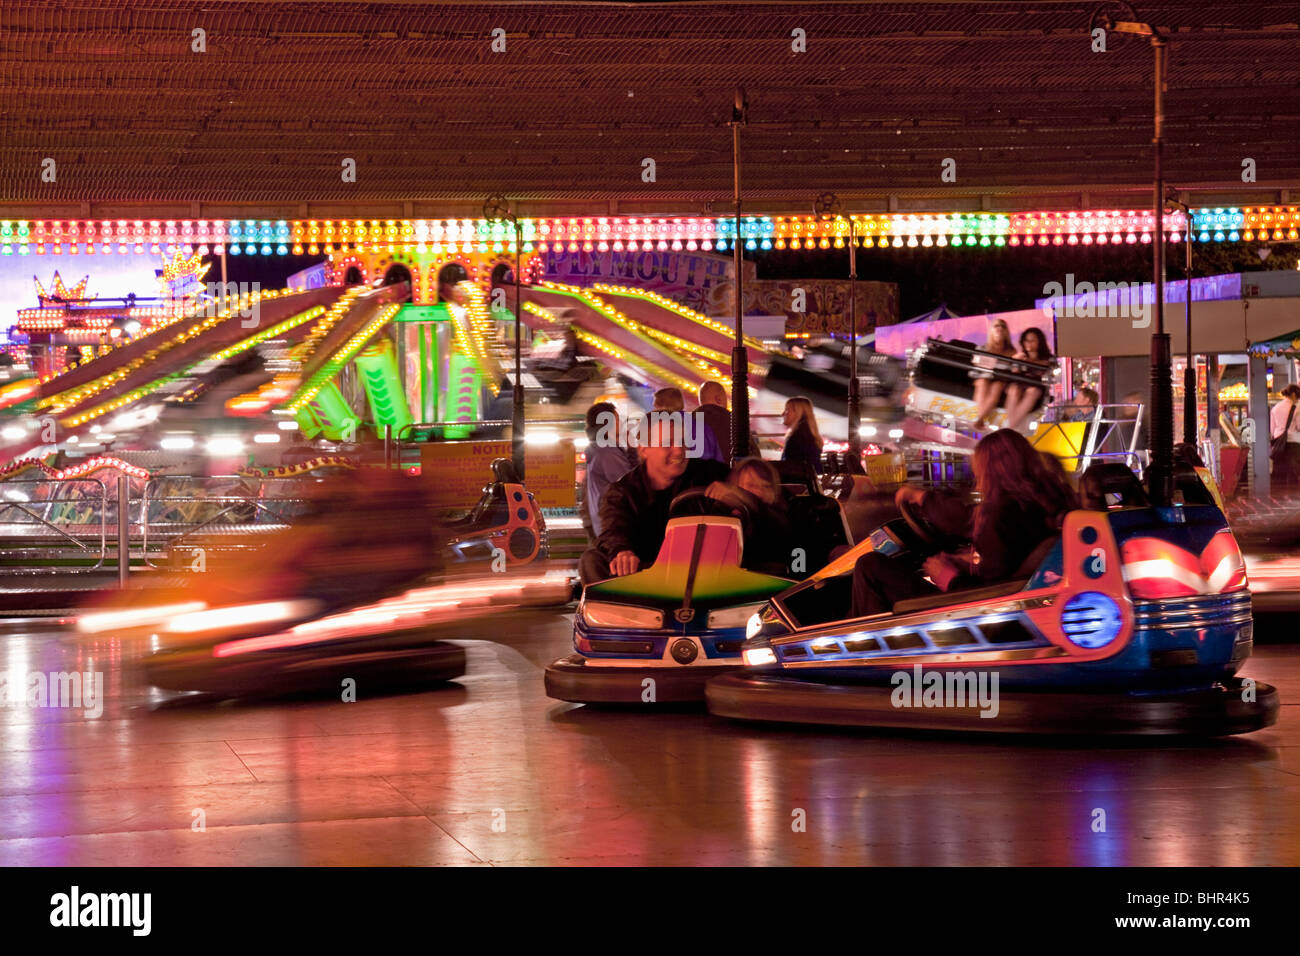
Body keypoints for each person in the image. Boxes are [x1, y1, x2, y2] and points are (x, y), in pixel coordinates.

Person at [851, 429, 1077, 617]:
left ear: (993, 472)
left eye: (980, 474)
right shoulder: (1035, 506)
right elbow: (1003, 566)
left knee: (870, 566)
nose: (978, 483)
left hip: (975, 615)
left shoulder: (1001, 513)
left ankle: (864, 654)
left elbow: (990, 597)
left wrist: (949, 577)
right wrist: (966, 564)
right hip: (1006, 603)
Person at [580, 418, 729, 583]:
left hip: (703, 574)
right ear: (644, 450)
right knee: (591, 560)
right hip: (646, 576)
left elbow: (755, 490)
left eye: (682, 442)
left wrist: (735, 493)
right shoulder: (623, 492)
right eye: (667, 444)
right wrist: (622, 551)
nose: (679, 451)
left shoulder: (710, 474)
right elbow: (614, 528)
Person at [705, 457, 794, 574]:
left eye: (766, 486)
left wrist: (745, 499)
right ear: (735, 485)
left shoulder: (778, 517)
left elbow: (778, 526)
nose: (759, 492)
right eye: (751, 485)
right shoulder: (723, 514)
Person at [581, 401, 636, 540]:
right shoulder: (608, 453)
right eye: (617, 419)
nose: (621, 422)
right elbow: (631, 483)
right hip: (614, 527)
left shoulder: (599, 448)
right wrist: (634, 451)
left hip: (604, 525)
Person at [651, 386, 722, 463]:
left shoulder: (667, 430)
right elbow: (719, 459)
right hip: (712, 472)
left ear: (663, 407)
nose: (653, 411)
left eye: (655, 407)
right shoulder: (704, 427)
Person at [1002, 326, 1055, 431]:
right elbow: (1013, 373)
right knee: (1014, 390)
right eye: (1026, 340)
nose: (1028, 343)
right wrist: (1015, 362)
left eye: (1032, 340)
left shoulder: (1047, 358)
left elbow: (1048, 367)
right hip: (1019, 384)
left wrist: (1029, 362)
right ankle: (1011, 425)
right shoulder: (1020, 356)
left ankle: (1010, 426)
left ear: (1039, 342)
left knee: (1032, 391)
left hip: (1036, 387)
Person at [972, 318, 1017, 426]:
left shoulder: (1012, 351)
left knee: (996, 387)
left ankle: (980, 419)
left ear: (1006, 331)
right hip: (983, 376)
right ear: (991, 330)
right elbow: (977, 365)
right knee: (982, 383)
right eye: (996, 326)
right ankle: (980, 418)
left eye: (1003, 326)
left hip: (1000, 380)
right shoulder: (982, 348)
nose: (1000, 328)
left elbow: (1013, 369)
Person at [780, 396, 824, 474]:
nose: (782, 414)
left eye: (787, 410)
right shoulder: (807, 434)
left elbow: (789, 468)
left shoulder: (797, 437)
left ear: (798, 413)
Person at [1269, 384, 1300, 488]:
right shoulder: (1297, 408)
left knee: (1279, 468)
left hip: (1278, 441)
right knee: (1294, 468)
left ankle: (1279, 489)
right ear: (1293, 394)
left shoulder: (1275, 408)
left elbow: (1272, 429)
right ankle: (1292, 489)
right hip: (1293, 441)